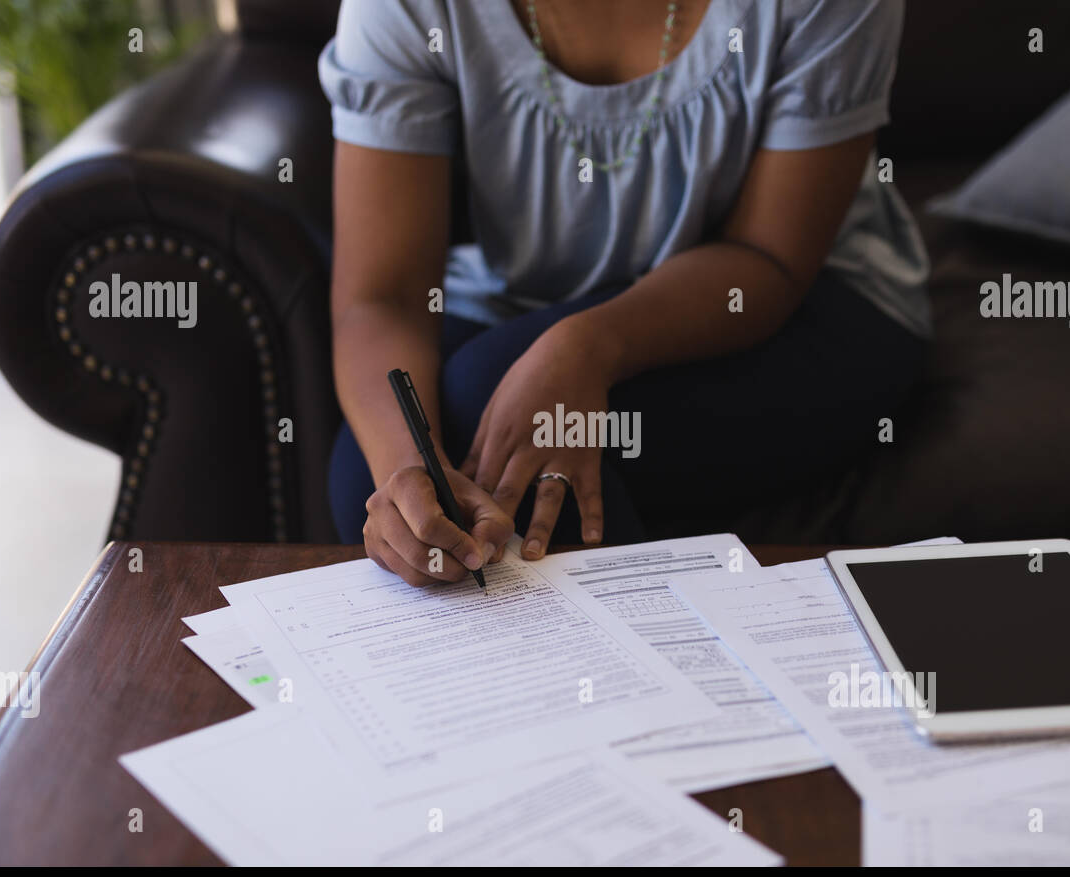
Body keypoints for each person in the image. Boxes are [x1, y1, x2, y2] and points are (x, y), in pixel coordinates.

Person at [322, 0, 930, 586]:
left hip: (801, 295)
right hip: (515, 299)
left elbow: (769, 257)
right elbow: (387, 296)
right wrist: (407, 466)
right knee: (377, 487)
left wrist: (589, 346)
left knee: (508, 424)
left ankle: (650, 680)